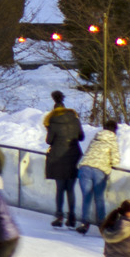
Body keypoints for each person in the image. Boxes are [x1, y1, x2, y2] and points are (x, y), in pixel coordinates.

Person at [45, 91, 84, 229]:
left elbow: (48, 141)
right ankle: (72, 216)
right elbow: (81, 137)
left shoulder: (53, 122)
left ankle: (59, 215)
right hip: (73, 155)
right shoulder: (75, 119)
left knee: (60, 189)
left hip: (58, 158)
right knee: (70, 189)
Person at [79, 122, 122, 235]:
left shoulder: (96, 138)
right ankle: (102, 224)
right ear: (114, 130)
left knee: (87, 197)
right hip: (100, 170)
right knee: (99, 198)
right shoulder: (112, 141)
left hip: (85, 168)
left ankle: (84, 223)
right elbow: (116, 161)